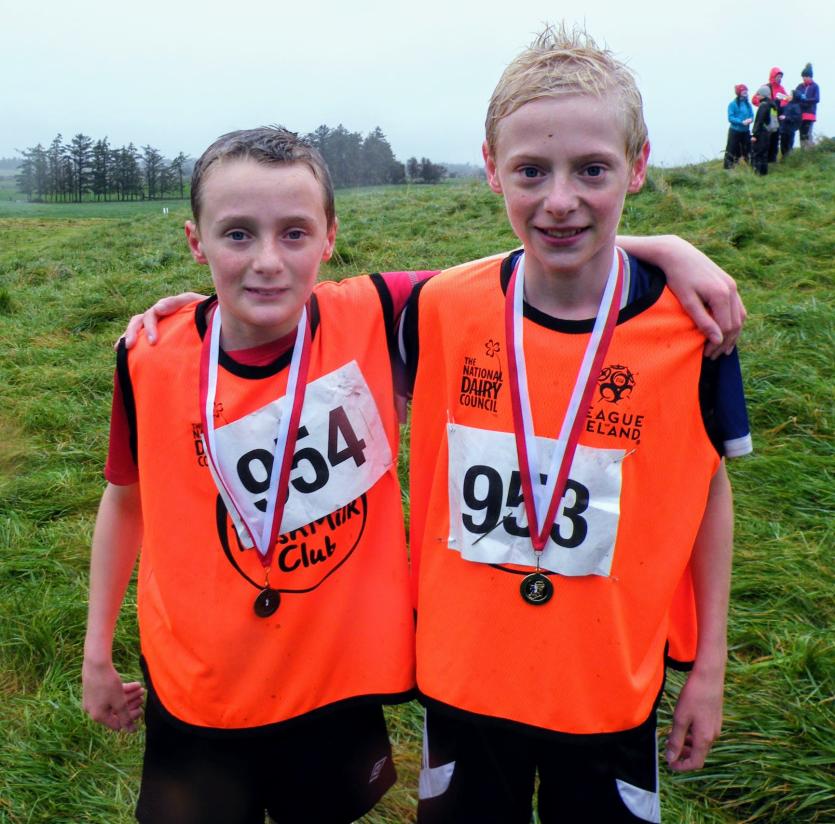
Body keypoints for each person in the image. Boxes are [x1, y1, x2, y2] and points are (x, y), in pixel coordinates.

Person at [401, 26, 751, 823]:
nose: (559, 200)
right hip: (463, 680)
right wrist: (177, 315)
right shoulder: (437, 307)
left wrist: (708, 667)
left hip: (606, 689)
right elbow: (275, 302)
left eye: (591, 170)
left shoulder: (694, 322)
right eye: (531, 171)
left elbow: (706, 492)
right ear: (491, 170)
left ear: (636, 165)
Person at [82, 127, 419, 824]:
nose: (267, 261)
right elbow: (125, 502)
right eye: (237, 235)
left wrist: (661, 251)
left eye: (293, 233)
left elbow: (527, 264)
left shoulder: (376, 317)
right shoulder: (148, 357)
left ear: (329, 235)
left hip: (332, 679)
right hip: (198, 688)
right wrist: (96, 652)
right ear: (194, 241)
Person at [752, 68, 789, 163]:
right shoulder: (765, 87)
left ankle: (772, 161)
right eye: (778, 76)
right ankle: (765, 161)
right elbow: (754, 99)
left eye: (781, 77)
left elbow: (787, 100)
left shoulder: (781, 89)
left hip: (776, 118)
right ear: (773, 76)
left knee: (775, 140)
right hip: (766, 118)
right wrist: (764, 105)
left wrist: (780, 105)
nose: (780, 78)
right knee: (765, 140)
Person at [724, 83, 753, 168]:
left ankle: (750, 166)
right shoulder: (732, 104)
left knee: (747, 149)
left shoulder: (748, 104)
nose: (745, 92)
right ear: (738, 92)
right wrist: (741, 122)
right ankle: (728, 169)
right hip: (735, 131)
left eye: (746, 91)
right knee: (731, 150)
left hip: (745, 131)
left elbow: (751, 114)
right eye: (743, 91)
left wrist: (751, 119)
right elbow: (730, 117)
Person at [752, 87, 780, 175]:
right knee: (764, 153)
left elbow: (759, 120)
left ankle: (758, 173)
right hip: (769, 131)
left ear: (763, 95)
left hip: (761, 132)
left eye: (759, 94)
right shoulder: (773, 105)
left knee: (758, 153)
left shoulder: (763, 105)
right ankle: (764, 173)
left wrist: (754, 134)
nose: (757, 96)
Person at [796, 63, 820, 147]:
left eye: (805, 76)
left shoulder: (815, 86)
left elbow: (817, 99)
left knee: (808, 134)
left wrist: (806, 100)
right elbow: (795, 96)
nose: (804, 78)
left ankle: (810, 154)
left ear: (810, 77)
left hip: (810, 114)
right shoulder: (800, 86)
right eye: (803, 77)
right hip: (801, 114)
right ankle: (803, 153)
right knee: (801, 134)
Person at [779, 88, 804, 158]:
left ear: (794, 97)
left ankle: (789, 161)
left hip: (790, 129)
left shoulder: (796, 106)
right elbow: (780, 110)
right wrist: (779, 101)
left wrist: (786, 118)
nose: (788, 96)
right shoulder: (787, 105)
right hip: (784, 129)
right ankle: (784, 160)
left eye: (790, 94)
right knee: (783, 145)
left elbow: (797, 118)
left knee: (788, 145)